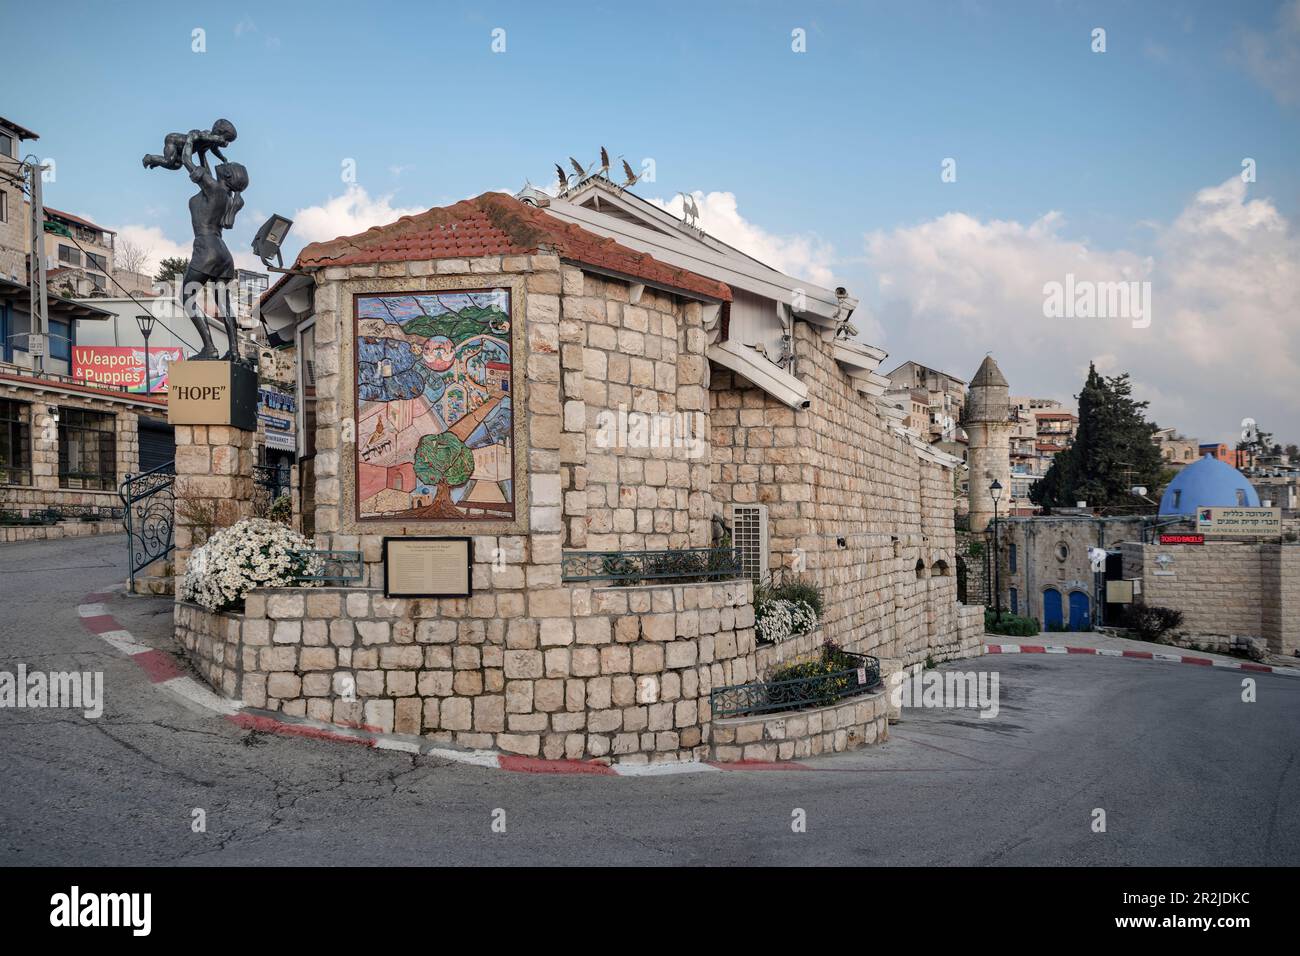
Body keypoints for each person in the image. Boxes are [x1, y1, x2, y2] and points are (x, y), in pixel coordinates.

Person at [178, 138, 248, 361]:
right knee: (223, 301)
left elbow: (186, 160)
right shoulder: (226, 196)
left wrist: (191, 139)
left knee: (187, 295)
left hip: (206, 247)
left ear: (227, 176)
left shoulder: (214, 188)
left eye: (226, 166)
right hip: (223, 253)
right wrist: (204, 152)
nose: (223, 164)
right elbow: (202, 168)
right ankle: (234, 350)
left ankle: (209, 347)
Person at [142, 119, 237, 171]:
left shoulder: (211, 143)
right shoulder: (206, 134)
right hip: (174, 141)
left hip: (181, 151)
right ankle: (150, 158)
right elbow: (200, 136)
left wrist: (222, 158)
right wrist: (217, 139)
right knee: (169, 161)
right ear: (219, 132)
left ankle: (157, 161)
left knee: (176, 166)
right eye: (226, 139)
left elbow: (212, 150)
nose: (226, 143)